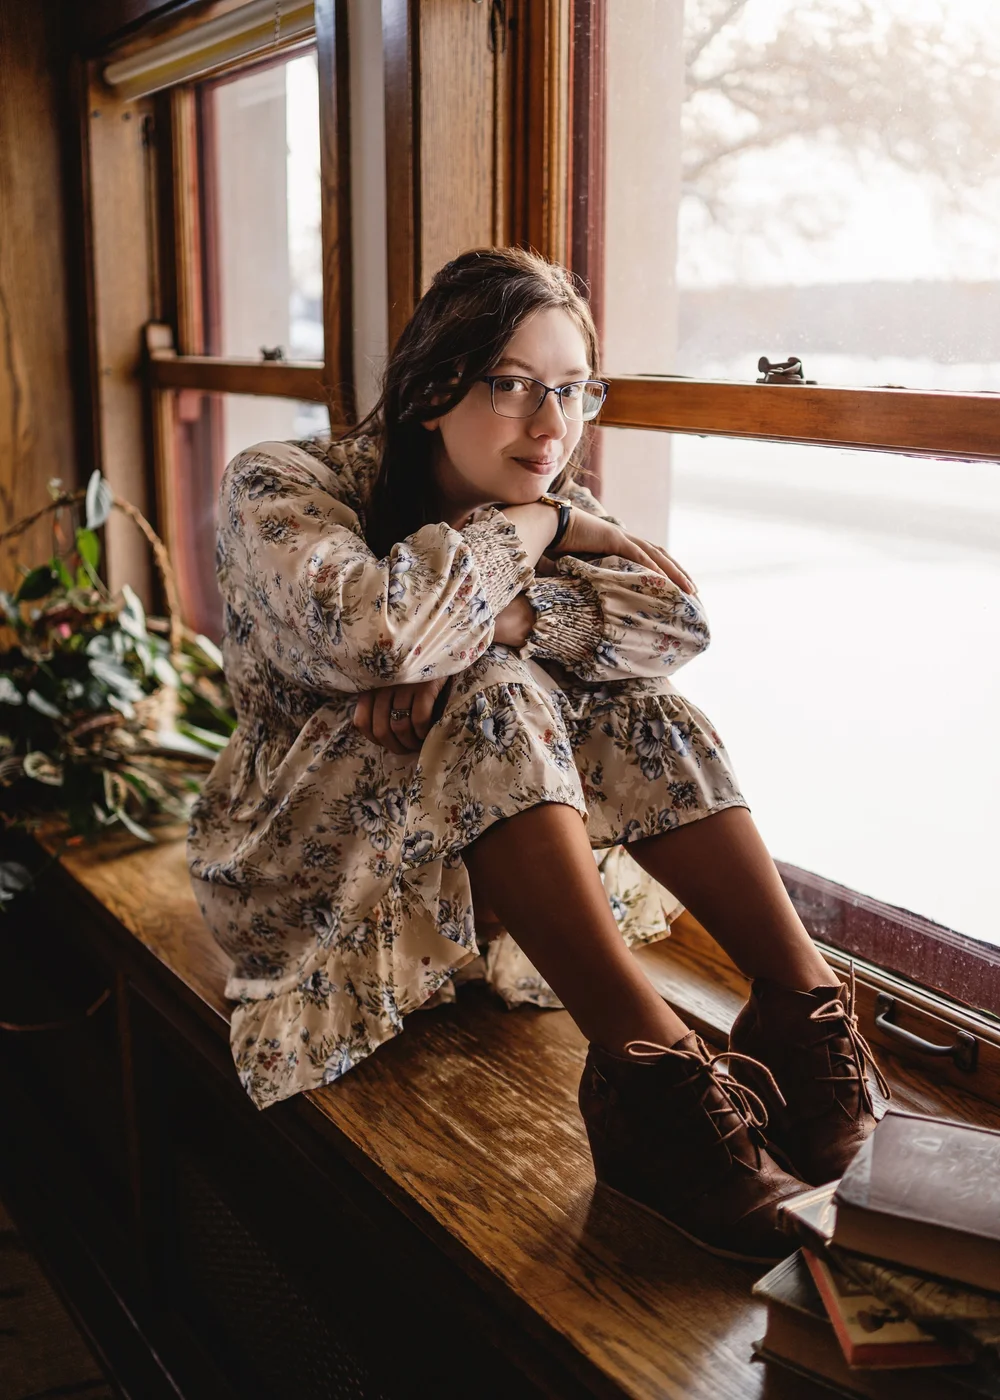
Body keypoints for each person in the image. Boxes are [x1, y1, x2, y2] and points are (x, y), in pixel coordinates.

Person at [187, 246, 888, 1264]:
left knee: (631, 702)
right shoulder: (282, 484)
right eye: (512, 385)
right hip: (297, 880)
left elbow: (676, 622)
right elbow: (376, 632)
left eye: (571, 389)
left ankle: (797, 1007)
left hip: (470, 892)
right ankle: (653, 1078)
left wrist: (506, 615)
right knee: (498, 688)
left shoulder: (544, 480)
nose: (551, 425)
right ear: (432, 387)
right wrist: (539, 523)